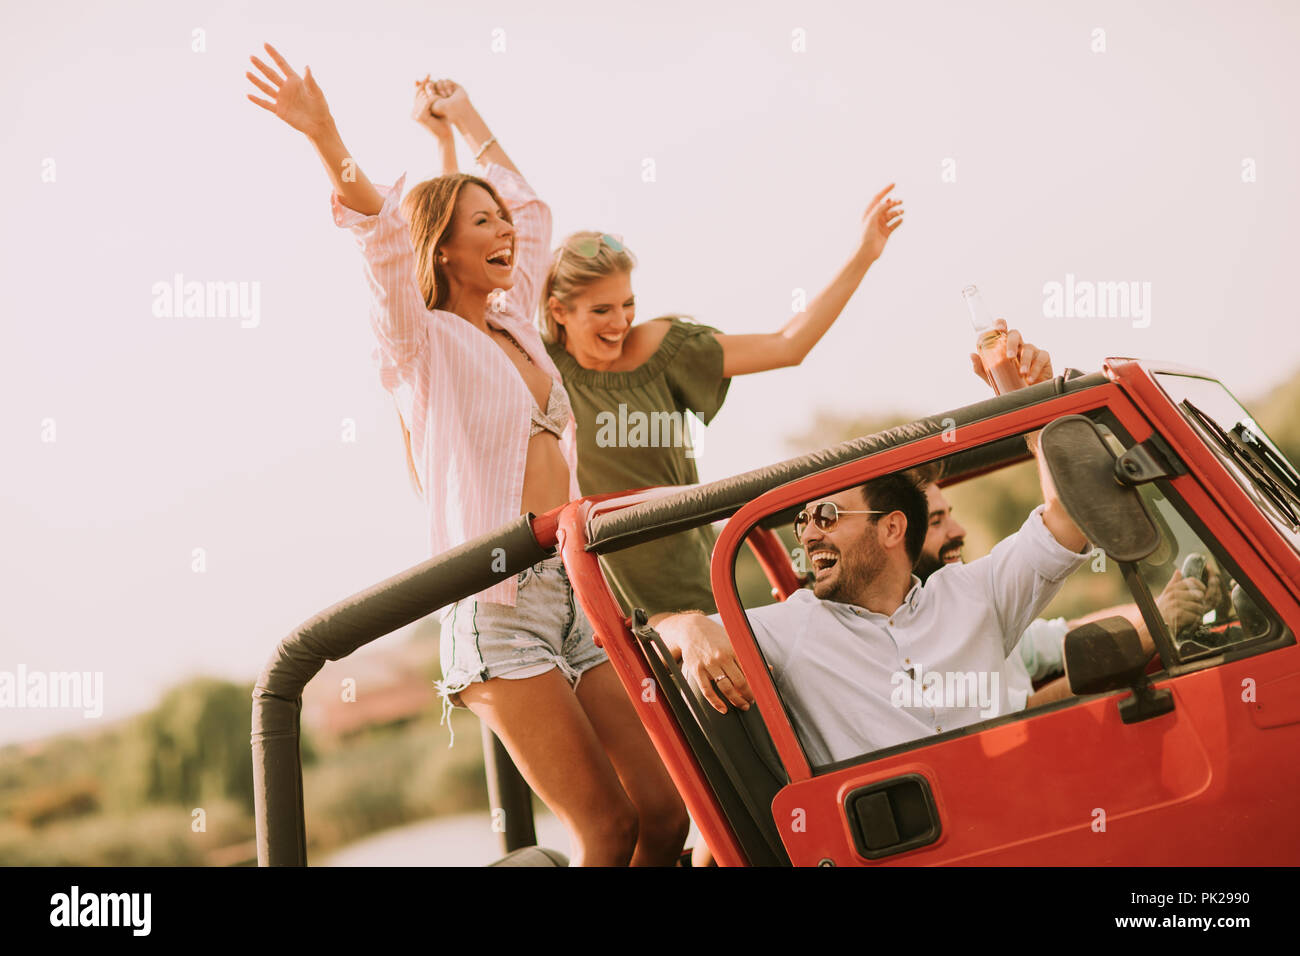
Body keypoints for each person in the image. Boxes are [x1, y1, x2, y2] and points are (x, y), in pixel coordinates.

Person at [245, 46, 687, 865]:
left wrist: (464, 117)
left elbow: (533, 208)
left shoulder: (514, 317)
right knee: (608, 828)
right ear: (443, 248)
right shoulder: (421, 344)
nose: (505, 231)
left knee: (665, 813)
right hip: (499, 610)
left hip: (575, 587)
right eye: (481, 223)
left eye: (499, 223)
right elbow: (379, 237)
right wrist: (325, 133)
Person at [652, 326, 1093, 766]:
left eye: (826, 516)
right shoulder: (796, 624)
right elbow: (646, 638)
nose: (806, 534)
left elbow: (1069, 518)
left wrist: (1036, 405)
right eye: (802, 520)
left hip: (1014, 807)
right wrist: (689, 628)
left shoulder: (975, 594)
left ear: (891, 529)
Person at [539, 185, 904, 618]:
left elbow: (787, 345)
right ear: (559, 311)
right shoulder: (538, 367)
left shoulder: (662, 349)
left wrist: (864, 253)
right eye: (601, 311)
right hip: (598, 608)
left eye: (628, 304)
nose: (620, 322)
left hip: (692, 587)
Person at [916, 467, 1223, 709]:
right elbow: (1025, 715)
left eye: (951, 515)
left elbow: (1068, 632)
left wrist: (1162, 605)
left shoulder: (978, 612)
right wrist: (1154, 628)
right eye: (936, 521)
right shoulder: (923, 653)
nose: (959, 530)